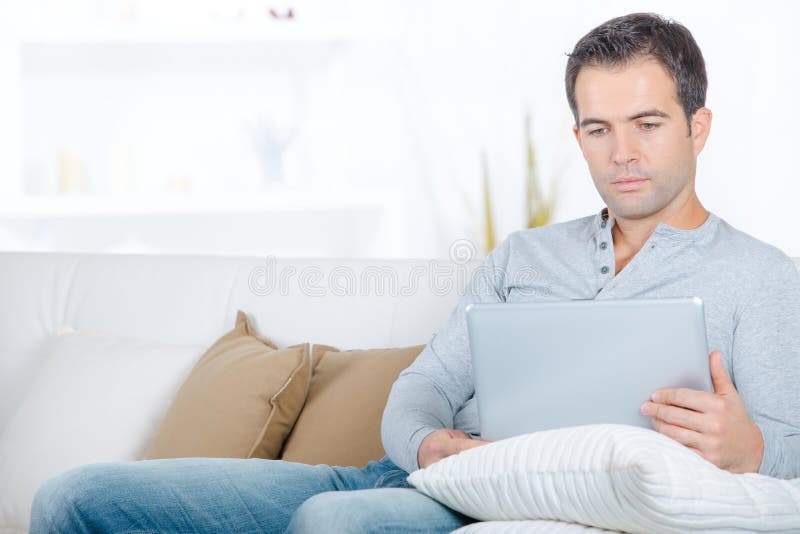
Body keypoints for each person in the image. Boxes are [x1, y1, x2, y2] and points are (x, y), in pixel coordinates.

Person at [30, 12, 800, 534]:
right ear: (578, 135)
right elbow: (420, 391)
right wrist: (428, 444)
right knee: (76, 498)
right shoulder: (522, 257)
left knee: (334, 524)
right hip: (408, 480)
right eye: (599, 129)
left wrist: (753, 448)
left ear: (699, 126)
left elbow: (790, 444)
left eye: (647, 124)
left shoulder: (761, 279)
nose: (622, 154)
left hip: (499, 506)